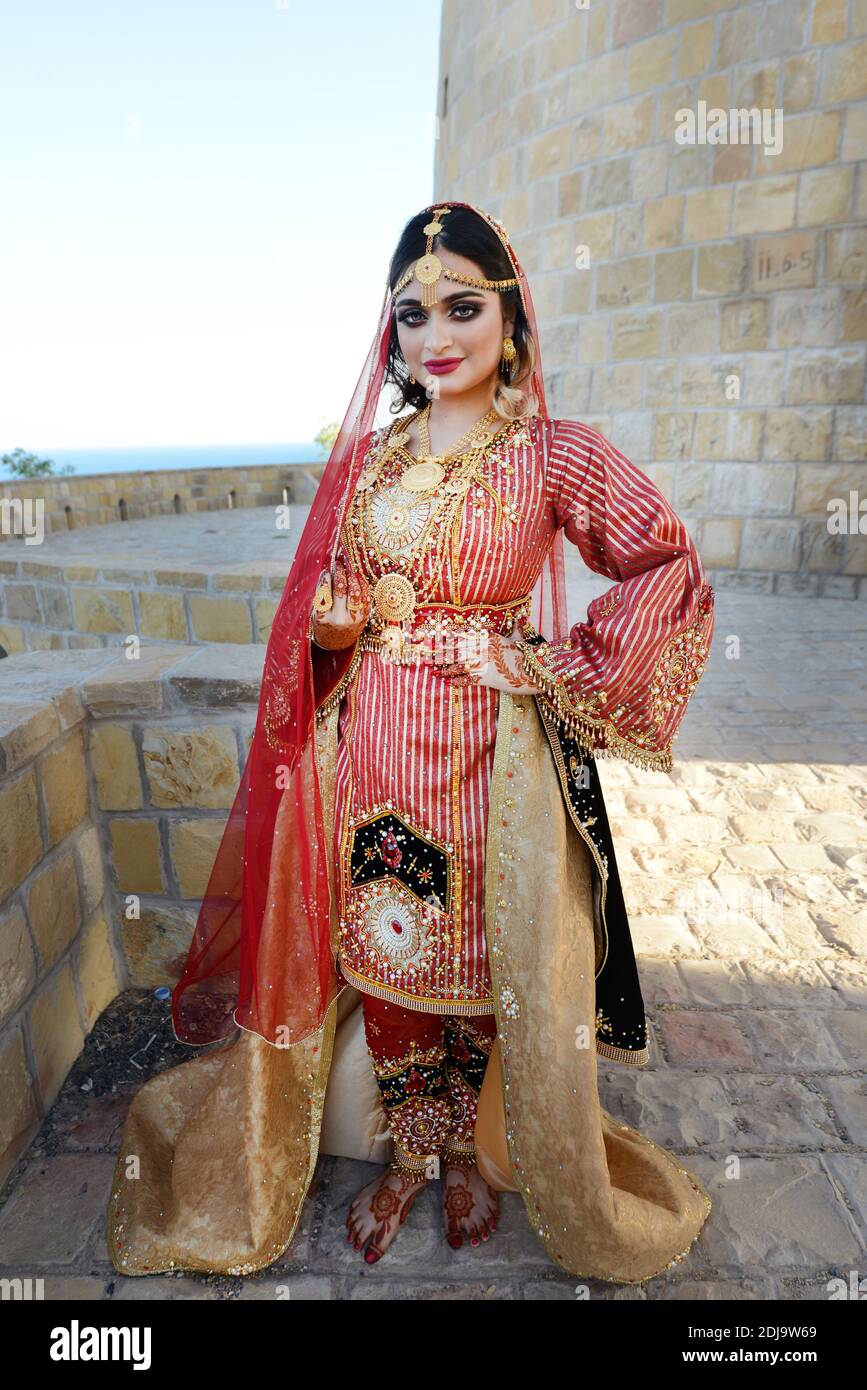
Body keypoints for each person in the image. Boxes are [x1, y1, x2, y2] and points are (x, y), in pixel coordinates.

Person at [107, 202, 715, 1284]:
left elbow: (668, 567)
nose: (438, 334)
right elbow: (323, 599)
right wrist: (333, 628)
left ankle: (475, 1154)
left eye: (463, 306)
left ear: (511, 318)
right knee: (387, 956)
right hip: (372, 748)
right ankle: (415, 1149)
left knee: (481, 957)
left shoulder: (554, 459)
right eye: (412, 314)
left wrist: (546, 664)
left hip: (495, 760)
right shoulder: (375, 460)